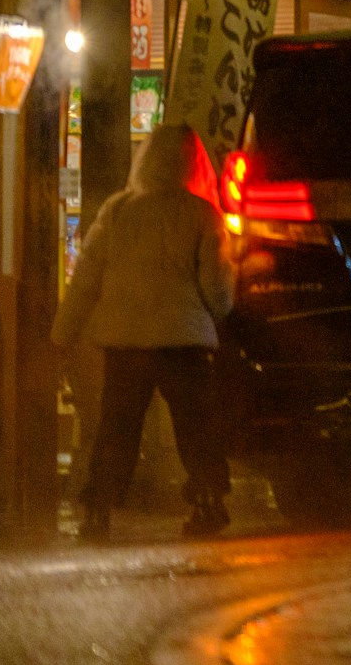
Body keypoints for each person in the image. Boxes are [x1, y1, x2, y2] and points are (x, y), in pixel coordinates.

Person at [56, 121, 233, 537]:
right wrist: (219, 316)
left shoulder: (118, 210)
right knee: (195, 427)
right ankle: (207, 502)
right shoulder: (202, 213)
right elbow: (217, 286)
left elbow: (87, 277)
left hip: (125, 341)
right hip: (183, 342)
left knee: (117, 427)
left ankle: (98, 507)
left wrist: (63, 331)